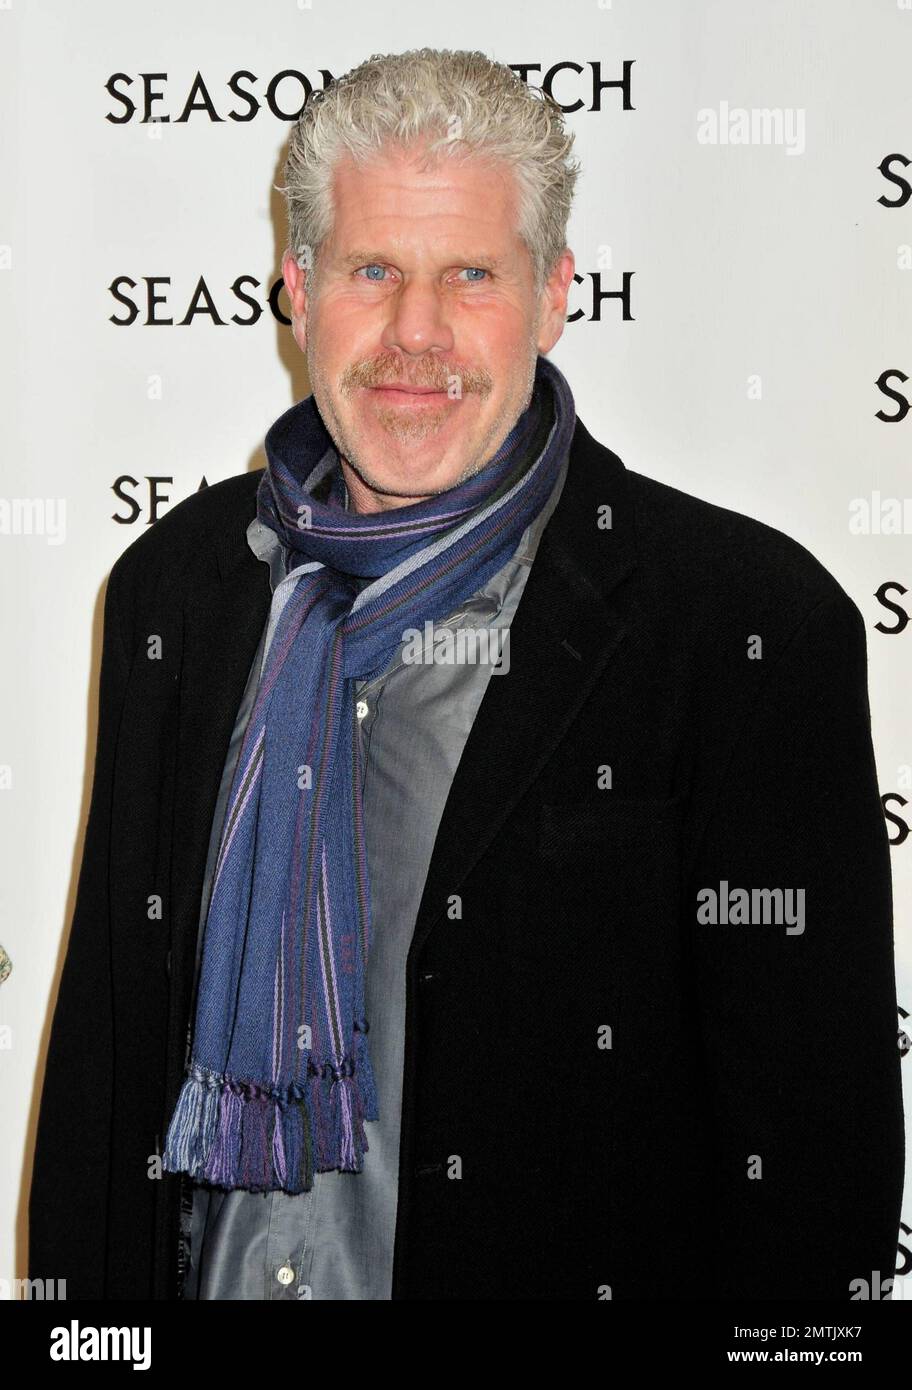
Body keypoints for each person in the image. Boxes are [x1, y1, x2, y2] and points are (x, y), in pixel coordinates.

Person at [29, 47, 904, 1301]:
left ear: (553, 297)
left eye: (471, 277)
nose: (415, 335)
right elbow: (107, 1076)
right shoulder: (182, 587)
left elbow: (814, 1163)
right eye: (373, 270)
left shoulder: (744, 627)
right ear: (298, 288)